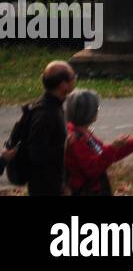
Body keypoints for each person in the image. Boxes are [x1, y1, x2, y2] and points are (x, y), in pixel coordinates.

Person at [64, 90, 133, 196]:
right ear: (88, 112)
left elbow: (104, 154)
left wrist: (131, 142)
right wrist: (113, 148)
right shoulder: (75, 139)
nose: (97, 111)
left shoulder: (84, 132)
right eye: (96, 108)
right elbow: (93, 169)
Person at [23, 61, 77, 195]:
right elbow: (36, 154)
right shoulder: (46, 114)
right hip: (46, 187)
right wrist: (66, 146)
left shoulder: (53, 106)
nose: (75, 79)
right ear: (63, 85)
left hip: (53, 183)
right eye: (73, 76)